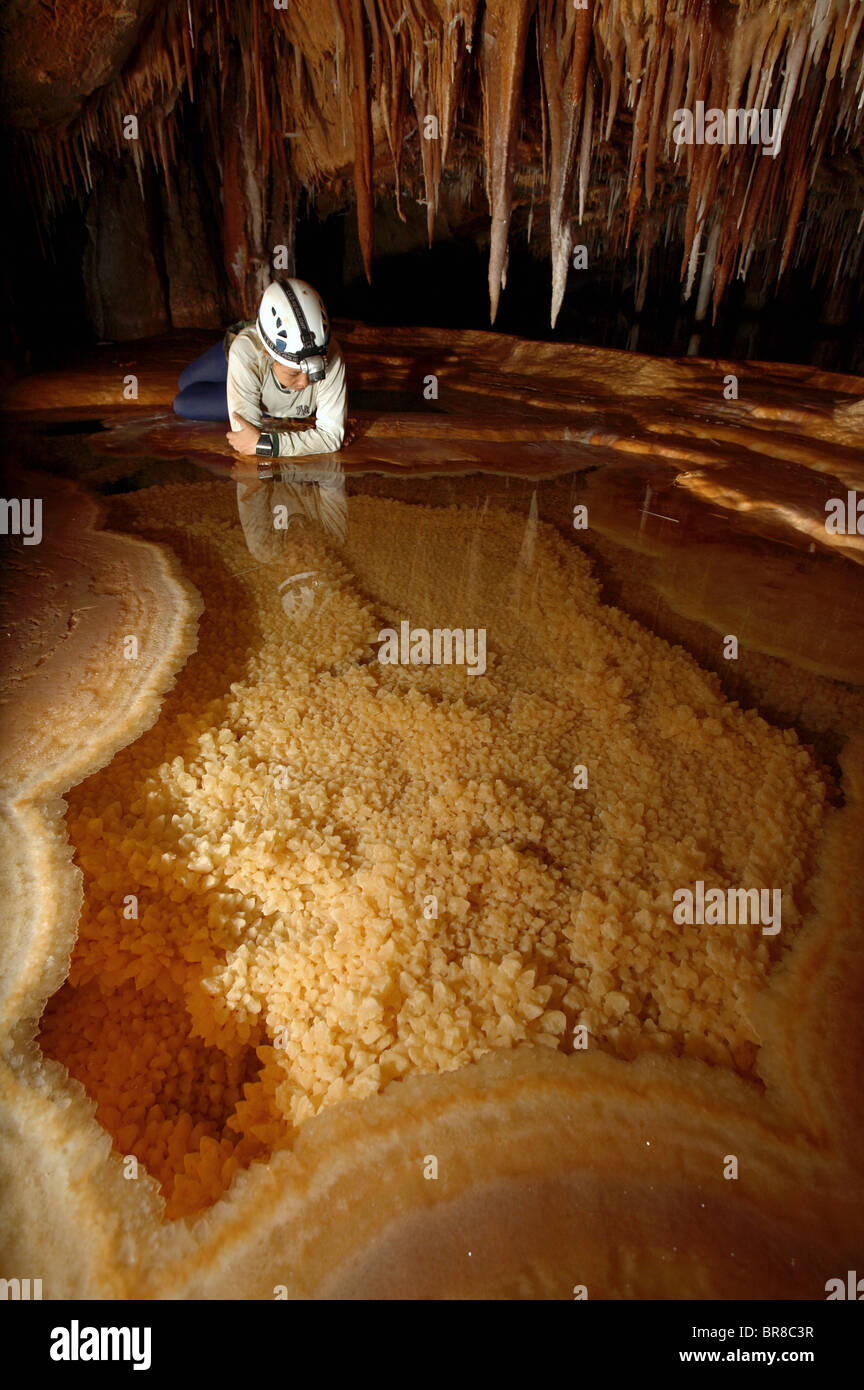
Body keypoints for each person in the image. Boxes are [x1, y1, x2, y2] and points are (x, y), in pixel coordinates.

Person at [172, 279, 347, 478]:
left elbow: (331, 437)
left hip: (261, 383)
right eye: (294, 373)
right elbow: (246, 437)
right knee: (185, 381)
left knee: (183, 403)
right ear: (266, 352)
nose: (305, 382)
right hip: (245, 354)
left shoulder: (332, 354)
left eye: (316, 370)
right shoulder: (247, 350)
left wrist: (266, 443)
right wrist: (267, 440)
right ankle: (242, 377)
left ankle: (257, 395)